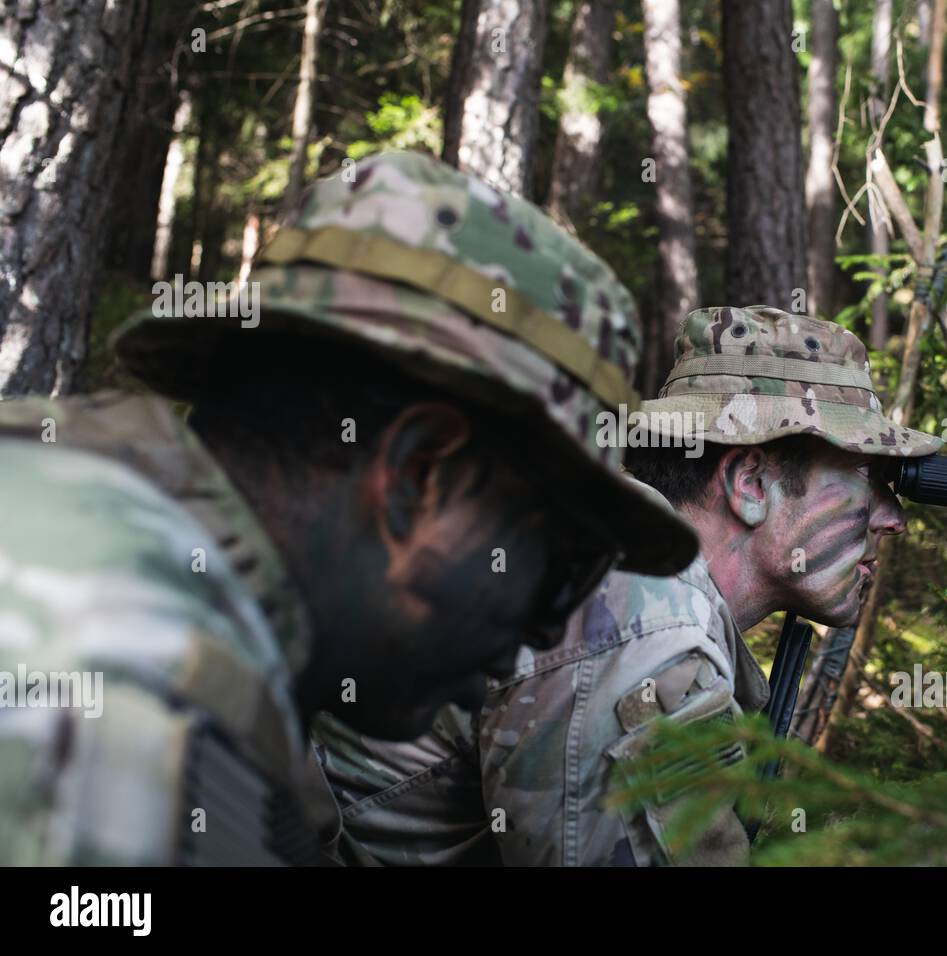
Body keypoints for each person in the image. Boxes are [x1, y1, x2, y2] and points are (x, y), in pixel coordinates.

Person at [0, 151, 694, 865]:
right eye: (562, 566)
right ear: (417, 474)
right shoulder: (141, 709)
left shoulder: (81, 505)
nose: (549, 627)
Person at [316, 305, 947, 866]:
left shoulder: (645, 589)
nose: (893, 519)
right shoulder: (633, 607)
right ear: (748, 482)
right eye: (868, 482)